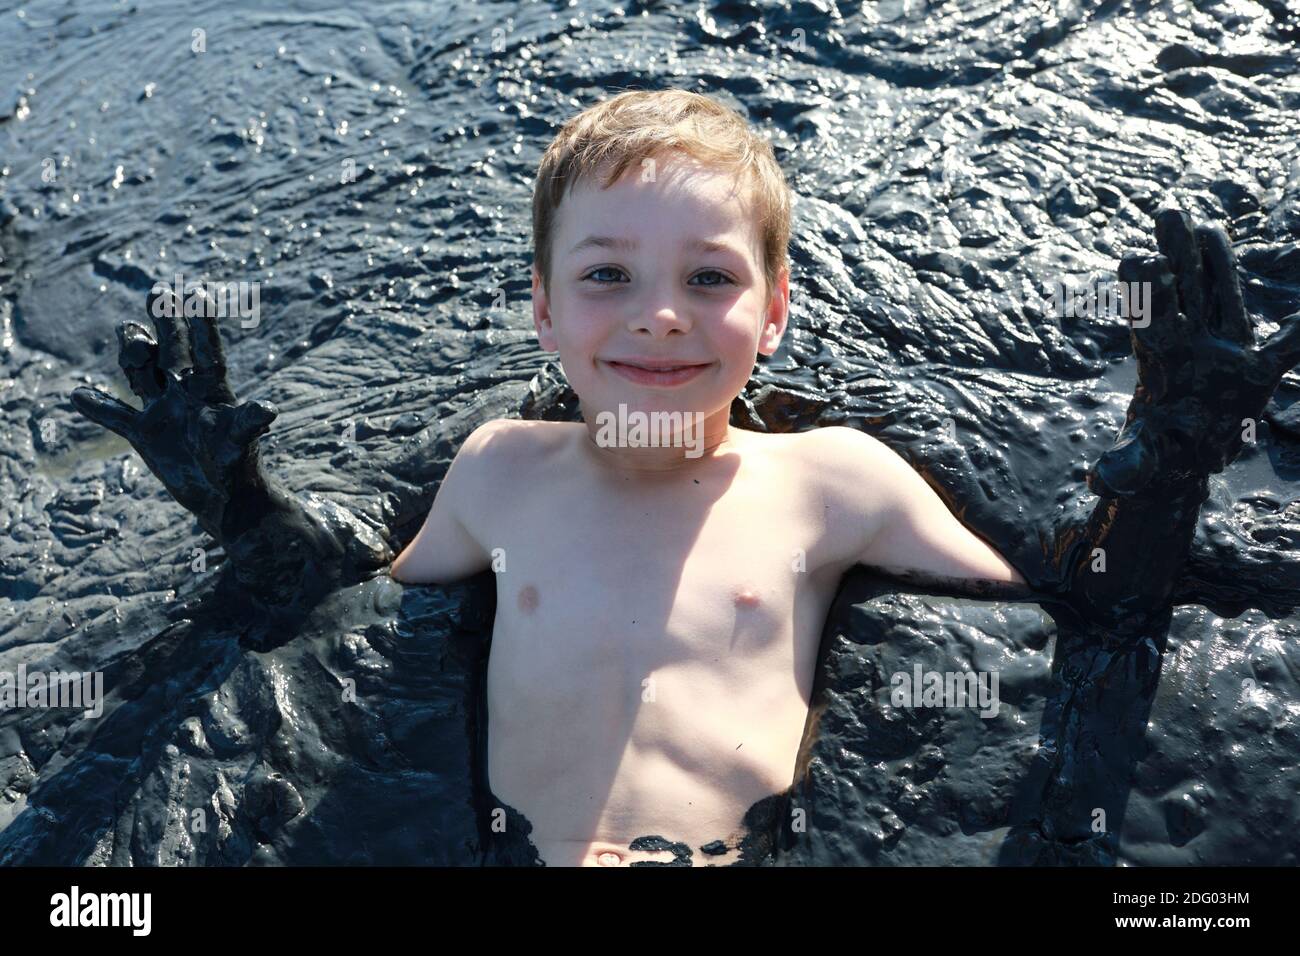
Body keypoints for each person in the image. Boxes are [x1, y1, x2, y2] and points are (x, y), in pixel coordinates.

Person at [71, 89, 1300, 867]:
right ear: (544, 314)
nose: (659, 316)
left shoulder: (832, 480)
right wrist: (240, 505)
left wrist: (1171, 468)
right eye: (607, 277)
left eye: (709, 279)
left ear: (772, 314)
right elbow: (346, 597)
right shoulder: (501, 469)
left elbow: (1081, 607)